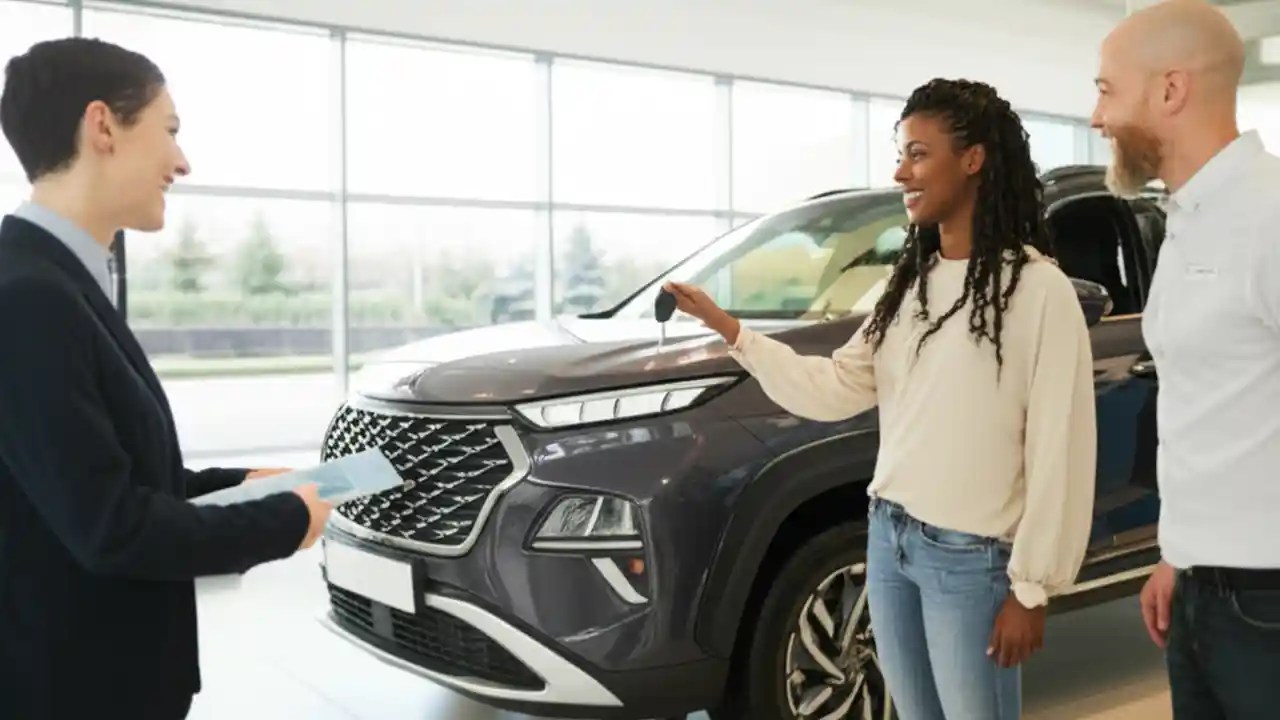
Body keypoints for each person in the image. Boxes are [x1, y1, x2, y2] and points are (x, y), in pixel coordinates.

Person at [664, 78, 1097, 719]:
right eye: (901, 155)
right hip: (890, 541)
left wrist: (1032, 589)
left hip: (970, 559)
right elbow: (835, 387)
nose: (901, 173)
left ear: (973, 159)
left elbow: (1061, 449)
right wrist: (732, 332)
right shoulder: (911, 285)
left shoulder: (1038, 291)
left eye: (918, 154)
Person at [0, 38, 333, 719]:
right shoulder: (28, 297)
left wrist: (240, 484)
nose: (181, 162)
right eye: (170, 130)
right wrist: (290, 518)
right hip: (74, 693)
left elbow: (92, 474)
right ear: (102, 126)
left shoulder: (56, 282)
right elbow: (112, 527)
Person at [1093, 1, 1280, 716]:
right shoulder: (1188, 218)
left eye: (1107, 90)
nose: (1097, 117)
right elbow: (1211, 403)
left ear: (1170, 90)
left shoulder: (1270, 215)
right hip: (1201, 588)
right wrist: (1179, 554)